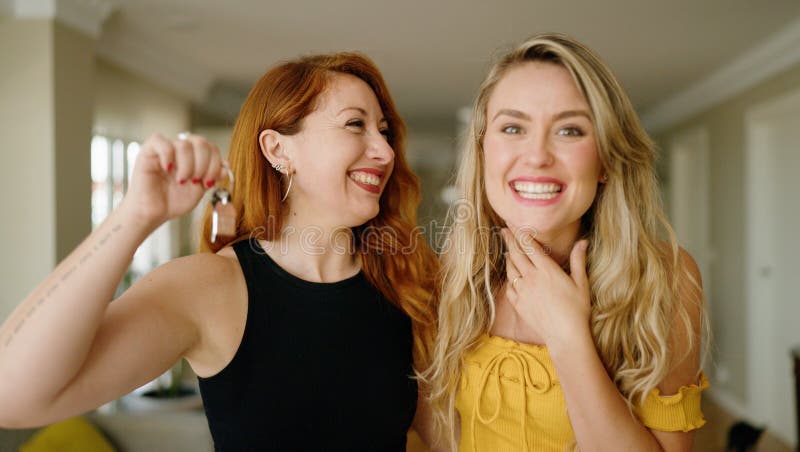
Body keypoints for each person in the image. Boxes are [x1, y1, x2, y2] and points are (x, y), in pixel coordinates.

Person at [0, 52, 439, 451]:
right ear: (278, 149)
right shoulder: (211, 287)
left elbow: (453, 438)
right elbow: (12, 396)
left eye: (384, 131)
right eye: (355, 124)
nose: (384, 151)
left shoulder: (408, 279)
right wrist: (134, 217)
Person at [421, 33, 709, 452]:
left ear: (607, 159)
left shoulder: (664, 278)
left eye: (570, 130)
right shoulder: (455, 271)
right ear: (483, 151)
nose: (537, 155)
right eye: (513, 127)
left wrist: (567, 336)